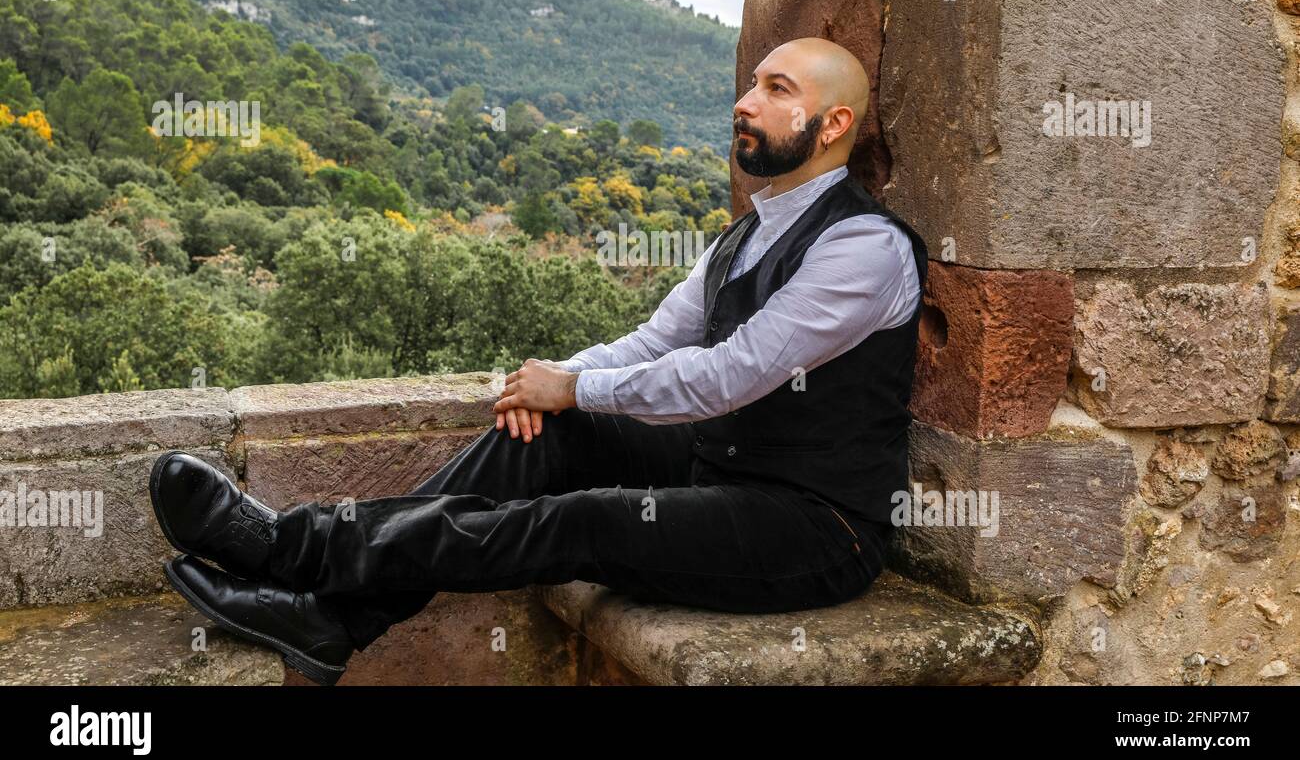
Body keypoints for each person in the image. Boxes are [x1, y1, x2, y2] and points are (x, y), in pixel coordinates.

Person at [151, 37, 928, 686]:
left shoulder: (863, 247)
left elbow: (730, 373)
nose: (744, 101)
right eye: (751, 82)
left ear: (831, 124)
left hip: (815, 527)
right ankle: (329, 622)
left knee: (584, 518)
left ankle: (288, 550)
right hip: (722, 471)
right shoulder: (746, 234)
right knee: (544, 437)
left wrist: (578, 387)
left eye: (774, 88)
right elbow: (654, 343)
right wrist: (552, 383)